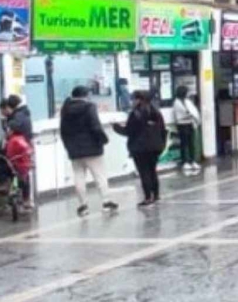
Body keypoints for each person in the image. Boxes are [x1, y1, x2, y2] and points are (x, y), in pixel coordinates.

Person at [59, 86, 113, 215]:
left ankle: (83, 205)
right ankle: (106, 202)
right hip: (92, 148)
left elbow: (63, 130)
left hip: (74, 149)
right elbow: (95, 126)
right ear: (85, 95)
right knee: (99, 176)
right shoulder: (89, 107)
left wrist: (68, 146)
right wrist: (103, 140)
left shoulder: (65, 109)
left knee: (78, 177)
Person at [114, 90, 167, 206]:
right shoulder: (157, 113)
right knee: (152, 171)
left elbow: (129, 131)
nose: (131, 101)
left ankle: (148, 197)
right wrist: (162, 145)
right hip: (155, 147)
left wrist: (116, 127)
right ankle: (156, 195)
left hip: (140, 148)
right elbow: (163, 130)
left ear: (139, 100)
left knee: (144, 173)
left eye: (133, 99)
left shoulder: (135, 114)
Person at [172, 86, 201, 173]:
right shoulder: (176, 102)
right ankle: (185, 162)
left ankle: (193, 161)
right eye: (186, 92)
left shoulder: (187, 101)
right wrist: (191, 114)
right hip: (182, 125)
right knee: (184, 144)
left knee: (191, 143)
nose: (187, 94)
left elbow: (193, 111)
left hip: (190, 124)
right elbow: (185, 112)